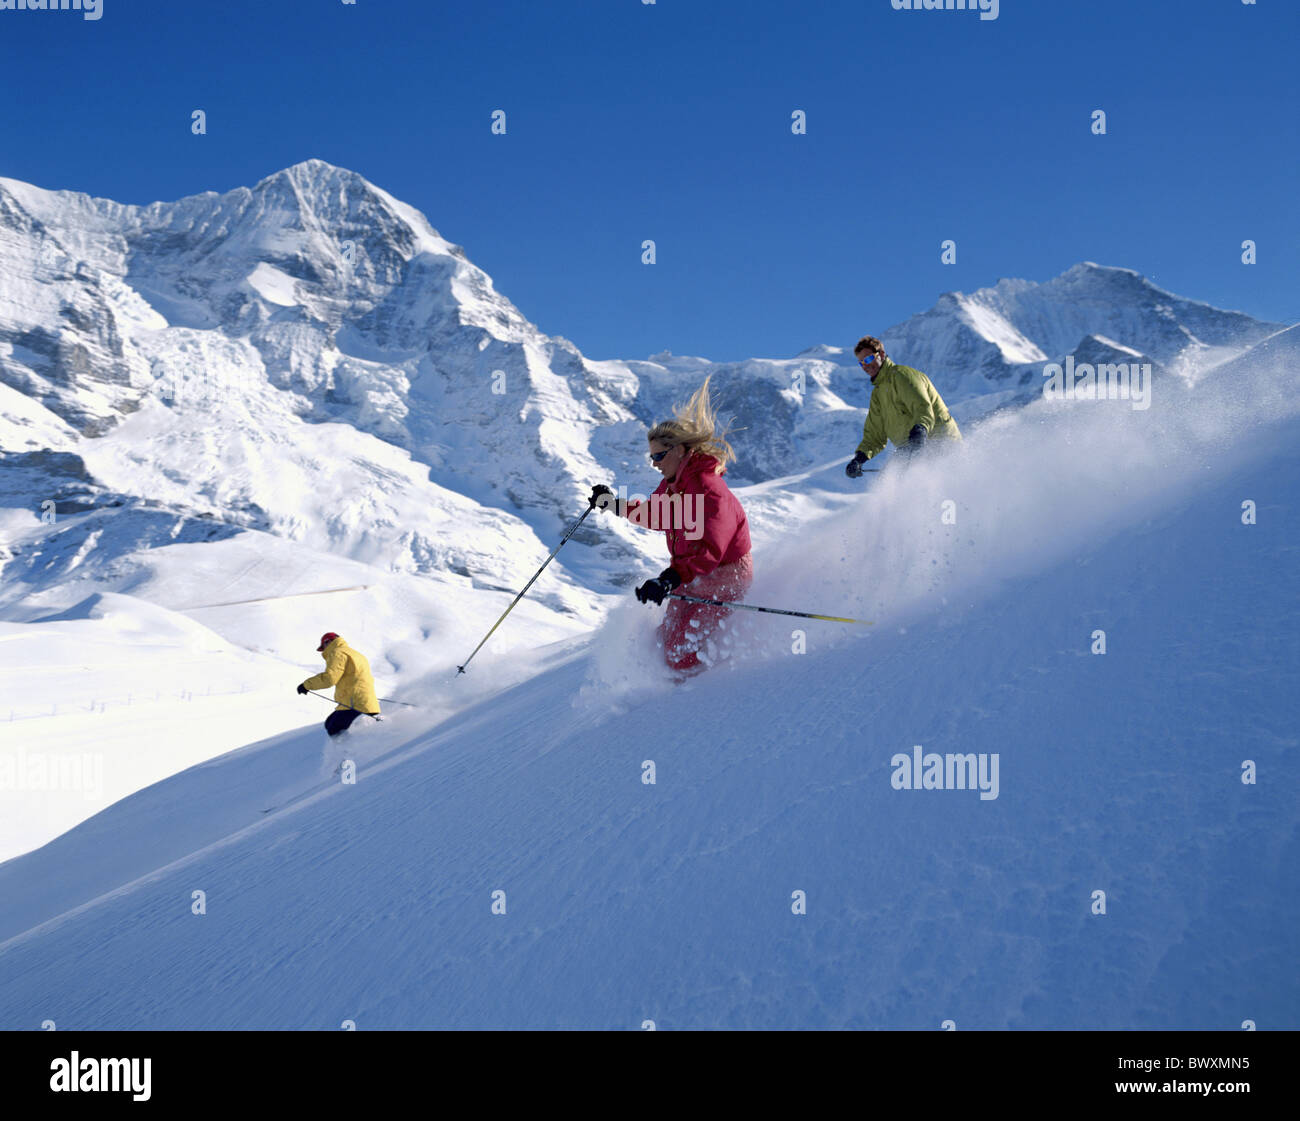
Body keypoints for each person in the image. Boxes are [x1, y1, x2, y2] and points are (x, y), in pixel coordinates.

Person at [590, 377, 753, 675]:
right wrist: (614, 504)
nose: (654, 463)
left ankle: (713, 691)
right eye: (651, 456)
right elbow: (655, 514)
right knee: (665, 640)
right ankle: (668, 684)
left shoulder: (707, 489)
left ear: (680, 450)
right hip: (688, 573)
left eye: (659, 456)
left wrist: (669, 579)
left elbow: (709, 550)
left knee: (680, 653)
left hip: (724, 575)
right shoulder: (673, 485)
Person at [844, 335, 962, 477]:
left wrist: (920, 429)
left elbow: (922, 406)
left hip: (939, 440)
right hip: (911, 447)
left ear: (881, 354)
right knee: (889, 479)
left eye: (868, 359)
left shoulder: (902, 376)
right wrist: (859, 459)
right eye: (861, 363)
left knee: (918, 480)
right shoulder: (878, 394)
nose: (866, 366)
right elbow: (875, 435)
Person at [297, 632, 381, 736]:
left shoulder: (337, 653)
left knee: (334, 728)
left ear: (328, 642)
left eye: (323, 647)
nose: (323, 651)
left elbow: (330, 678)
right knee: (329, 723)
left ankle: (351, 751)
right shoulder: (355, 653)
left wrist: (306, 685)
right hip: (365, 701)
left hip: (354, 702)